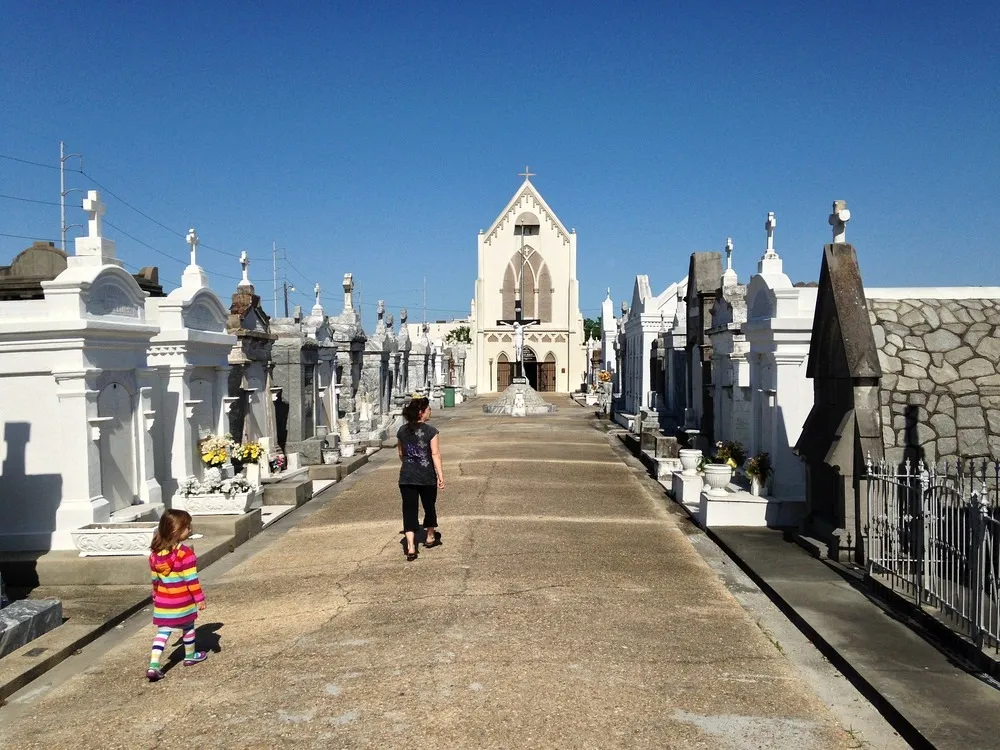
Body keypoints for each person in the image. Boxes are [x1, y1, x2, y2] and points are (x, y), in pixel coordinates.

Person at [145, 509, 208, 681]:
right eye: (187, 527)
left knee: (162, 633)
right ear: (177, 531)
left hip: (164, 604)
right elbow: (191, 579)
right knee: (188, 628)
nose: (190, 530)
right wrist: (199, 598)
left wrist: (155, 595)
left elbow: (155, 580)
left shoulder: (155, 555)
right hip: (183, 602)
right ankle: (190, 656)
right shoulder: (184, 554)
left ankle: (154, 664)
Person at [397, 396, 445, 561]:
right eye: (428, 409)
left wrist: (411, 463)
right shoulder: (431, 431)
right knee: (429, 506)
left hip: (407, 476)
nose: (430, 411)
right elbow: (435, 454)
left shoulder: (402, 431)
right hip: (426, 476)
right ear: (421, 412)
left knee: (409, 510)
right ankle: (430, 536)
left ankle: (410, 546)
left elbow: (401, 454)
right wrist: (440, 475)